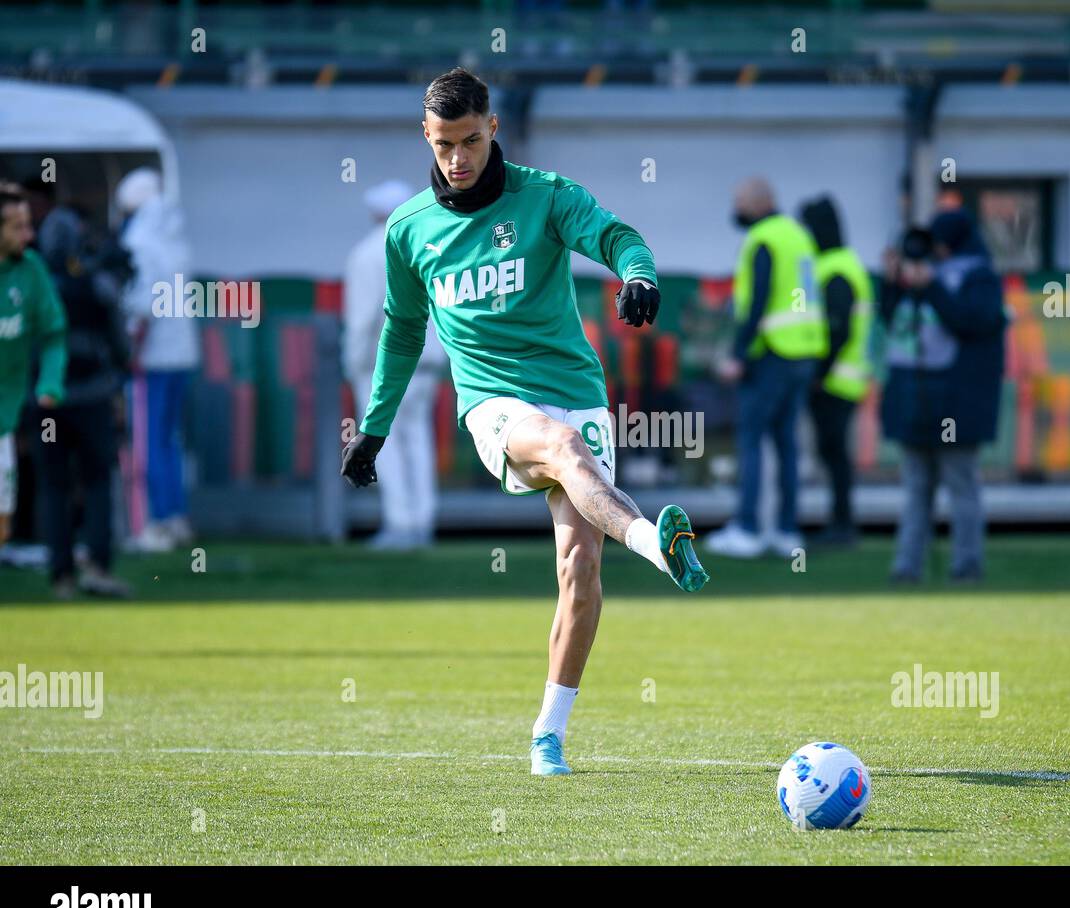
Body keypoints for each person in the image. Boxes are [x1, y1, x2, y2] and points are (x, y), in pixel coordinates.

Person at [339, 67, 709, 776]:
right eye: (445, 144)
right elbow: (402, 331)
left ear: (493, 128)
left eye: (471, 140)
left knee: (579, 567)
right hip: (493, 403)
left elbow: (615, 235)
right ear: (426, 135)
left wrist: (641, 277)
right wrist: (374, 428)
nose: (458, 159)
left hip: (574, 386)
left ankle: (548, 734)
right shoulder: (408, 230)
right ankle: (658, 547)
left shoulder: (544, 196)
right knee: (563, 447)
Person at [878, 210, 1006, 583]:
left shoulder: (978, 277)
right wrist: (893, 282)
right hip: (914, 402)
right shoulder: (917, 278)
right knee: (916, 488)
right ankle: (907, 566)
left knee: (960, 484)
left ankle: (966, 564)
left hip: (957, 404)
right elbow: (892, 323)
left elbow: (972, 321)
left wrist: (931, 287)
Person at [704, 177, 827, 559]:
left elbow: (757, 302)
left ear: (759, 203)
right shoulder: (798, 236)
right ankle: (787, 530)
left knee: (751, 439)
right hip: (805, 351)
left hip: (771, 353)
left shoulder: (762, 239)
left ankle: (748, 528)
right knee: (787, 442)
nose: (736, 209)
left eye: (740, 202)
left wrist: (738, 355)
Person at [32, 194, 134, 598]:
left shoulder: (33, 286)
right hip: (92, 398)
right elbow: (120, 345)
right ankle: (99, 565)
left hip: (45, 403)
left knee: (53, 486)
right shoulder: (97, 285)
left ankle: (61, 577)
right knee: (96, 483)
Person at [344, 179, 443, 550]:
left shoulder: (367, 254)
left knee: (382, 443)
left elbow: (362, 319)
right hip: (427, 363)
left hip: (381, 366)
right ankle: (422, 520)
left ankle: (400, 524)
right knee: (418, 440)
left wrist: (352, 362)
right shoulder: (430, 246)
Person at [117, 167, 198, 552]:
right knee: (168, 440)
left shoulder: (139, 239)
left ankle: (155, 524)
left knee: (147, 441)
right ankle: (175, 516)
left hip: (150, 358)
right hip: (181, 352)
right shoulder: (175, 237)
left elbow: (140, 304)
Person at [799, 195, 874, 547]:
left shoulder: (835, 269)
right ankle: (841, 523)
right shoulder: (844, 264)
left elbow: (838, 329)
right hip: (844, 377)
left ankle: (842, 525)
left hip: (836, 380)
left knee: (836, 457)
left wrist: (819, 372)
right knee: (835, 456)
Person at [0, 182, 66, 561]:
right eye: (17, 226)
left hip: (4, 425)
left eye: (29, 223)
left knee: (3, 527)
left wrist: (51, 382)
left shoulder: (30, 270)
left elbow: (54, 333)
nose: (29, 234)